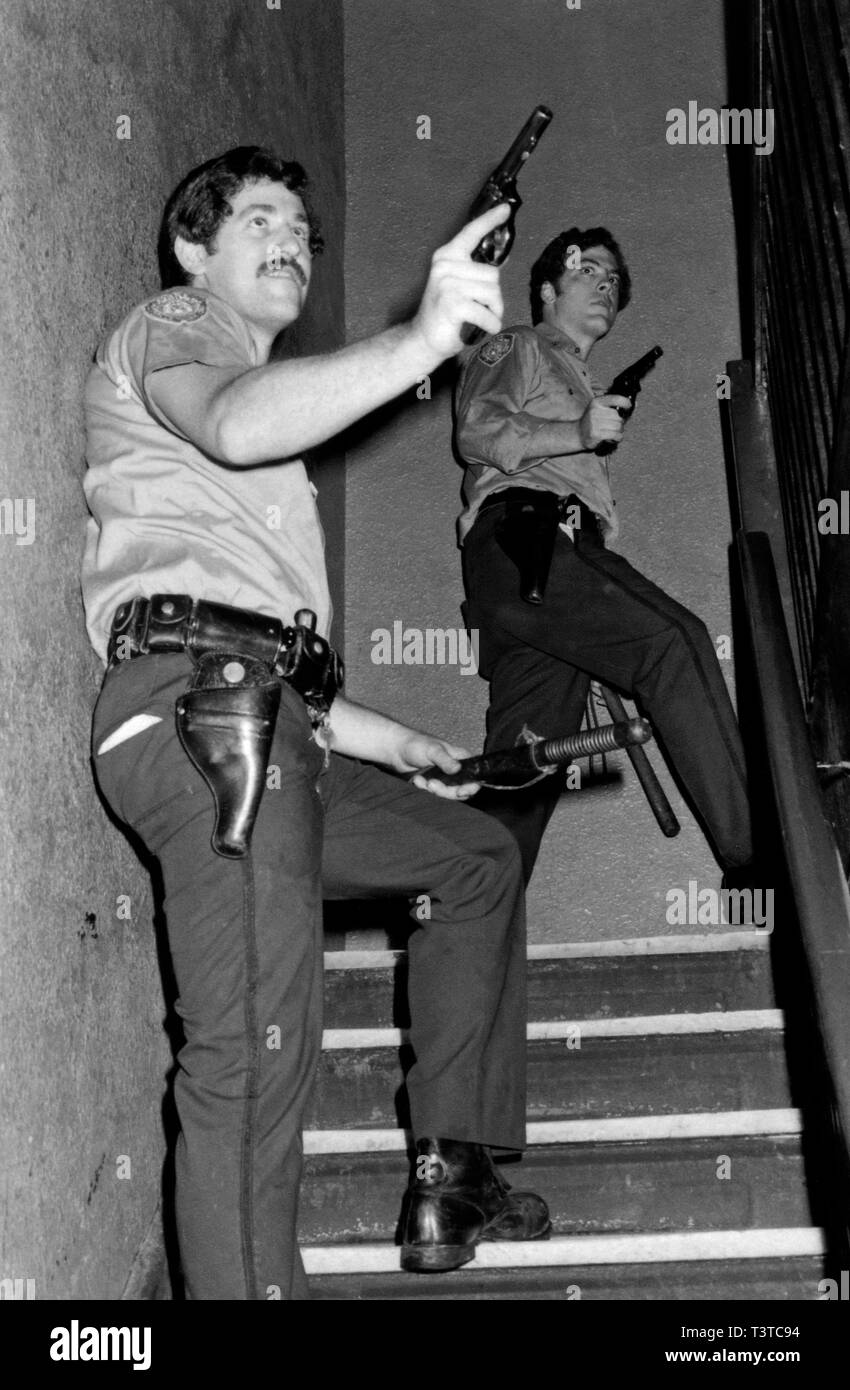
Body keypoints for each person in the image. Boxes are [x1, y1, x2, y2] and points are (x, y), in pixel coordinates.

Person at [81, 146, 550, 1300]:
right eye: (257, 219)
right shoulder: (177, 326)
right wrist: (419, 342)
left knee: (477, 856)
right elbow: (237, 428)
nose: (290, 236)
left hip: (265, 716)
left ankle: (452, 1162)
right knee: (253, 1054)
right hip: (203, 718)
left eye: (301, 225)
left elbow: (261, 636)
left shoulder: (258, 402)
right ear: (194, 249)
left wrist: (393, 743)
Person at [455, 227, 753, 886]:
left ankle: (467, 913)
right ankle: (759, 860)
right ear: (546, 287)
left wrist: (584, 425)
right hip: (526, 541)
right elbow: (477, 430)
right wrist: (576, 431)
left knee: (520, 773)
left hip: (531, 589)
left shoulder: (577, 379)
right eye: (590, 271)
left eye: (614, 282)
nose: (605, 287)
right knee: (673, 642)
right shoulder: (517, 344)